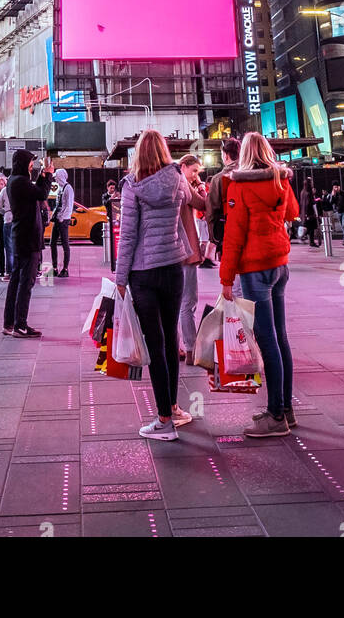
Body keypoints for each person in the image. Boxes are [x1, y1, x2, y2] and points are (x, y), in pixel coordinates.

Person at [114, 131, 203, 440]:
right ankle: (174, 409)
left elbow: (127, 237)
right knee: (170, 340)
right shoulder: (178, 179)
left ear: (140, 153)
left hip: (143, 273)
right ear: (165, 151)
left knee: (155, 344)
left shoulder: (133, 186)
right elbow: (198, 201)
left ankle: (164, 420)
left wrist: (120, 278)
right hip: (173, 268)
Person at [220, 132, 300, 438]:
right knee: (281, 338)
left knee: (267, 341)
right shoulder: (280, 180)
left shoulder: (239, 186)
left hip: (255, 270)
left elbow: (234, 235)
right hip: (280, 265)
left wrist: (227, 278)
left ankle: (276, 415)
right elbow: (293, 212)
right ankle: (286, 409)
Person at [2, 151, 53, 338]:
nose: (33, 165)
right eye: (31, 163)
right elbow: (41, 194)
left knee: (16, 280)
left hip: (21, 236)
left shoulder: (15, 180)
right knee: (26, 282)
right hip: (28, 238)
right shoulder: (20, 182)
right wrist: (47, 176)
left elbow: (35, 193)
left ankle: (9, 323)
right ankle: (20, 325)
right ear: (23, 163)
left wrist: (42, 176)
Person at [176, 153, 207, 360]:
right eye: (194, 170)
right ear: (184, 166)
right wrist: (201, 186)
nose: (195, 175)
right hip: (185, 250)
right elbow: (203, 204)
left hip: (170, 251)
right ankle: (190, 348)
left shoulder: (171, 183)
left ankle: (176, 346)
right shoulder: (183, 185)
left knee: (175, 303)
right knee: (188, 302)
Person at [205, 139, 241, 259]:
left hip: (228, 234)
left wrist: (214, 238)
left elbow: (212, 212)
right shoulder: (251, 172)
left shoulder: (218, 179)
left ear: (225, 155)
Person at [50, 168, 74, 277]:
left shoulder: (68, 188)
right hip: (58, 218)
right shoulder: (60, 188)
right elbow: (58, 204)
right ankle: (55, 268)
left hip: (63, 220)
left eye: (56, 176)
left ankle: (65, 269)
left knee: (65, 244)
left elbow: (69, 205)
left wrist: (63, 218)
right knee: (52, 243)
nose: (55, 178)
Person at [299, 176, 320, 248]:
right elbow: (312, 203)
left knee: (308, 227)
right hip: (310, 213)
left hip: (304, 212)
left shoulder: (302, 192)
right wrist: (316, 213)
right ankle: (309, 240)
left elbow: (302, 203)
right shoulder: (309, 192)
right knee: (311, 228)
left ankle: (308, 239)